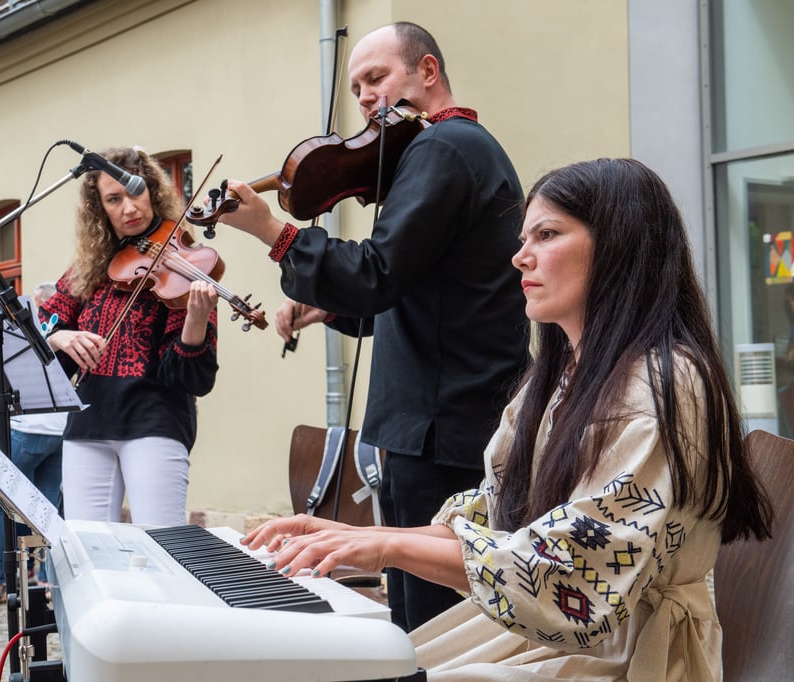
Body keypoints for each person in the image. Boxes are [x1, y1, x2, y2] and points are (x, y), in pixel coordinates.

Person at [242, 158, 774, 680]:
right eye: (523, 240)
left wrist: (385, 545)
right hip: (557, 631)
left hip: (629, 652)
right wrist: (351, 536)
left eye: (546, 234)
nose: (520, 258)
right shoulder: (563, 374)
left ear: (618, 246)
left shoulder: (665, 383)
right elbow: (501, 523)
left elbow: (576, 575)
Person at [212, 22, 529, 630]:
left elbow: (378, 271)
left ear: (427, 72)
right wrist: (330, 306)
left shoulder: (443, 148)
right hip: (446, 418)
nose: (363, 97)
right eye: (356, 84)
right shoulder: (450, 149)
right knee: (424, 612)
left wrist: (271, 232)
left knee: (430, 625)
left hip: (440, 427)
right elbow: (415, 291)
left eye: (377, 78)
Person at [39, 146, 219, 527]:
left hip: (154, 419)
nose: (129, 207)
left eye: (135, 192)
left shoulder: (183, 263)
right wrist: (60, 339)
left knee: (162, 547)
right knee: (87, 549)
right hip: (88, 424)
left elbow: (193, 379)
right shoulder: (88, 270)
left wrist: (196, 321)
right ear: (100, 208)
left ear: (152, 190)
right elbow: (39, 327)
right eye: (114, 199)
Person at [0, 282, 66, 608]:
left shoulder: (29, 333)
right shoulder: (63, 326)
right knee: (46, 507)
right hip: (58, 427)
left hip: (26, 427)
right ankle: (48, 580)